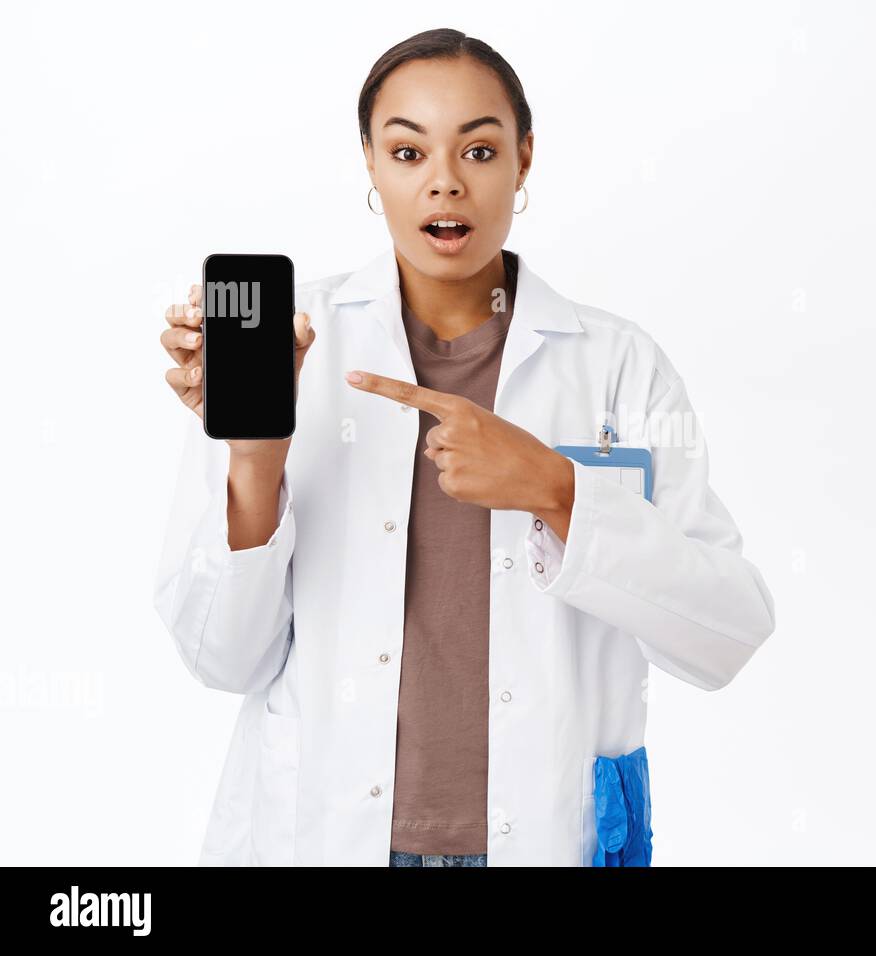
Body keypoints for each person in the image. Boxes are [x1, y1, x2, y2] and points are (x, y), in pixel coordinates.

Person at [154, 27, 776, 867]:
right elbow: (221, 656)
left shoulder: (616, 365)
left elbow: (727, 634)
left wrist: (557, 489)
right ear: (369, 166)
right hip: (329, 836)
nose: (444, 180)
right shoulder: (296, 347)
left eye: (479, 149)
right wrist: (257, 461)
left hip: (548, 833)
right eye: (407, 152)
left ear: (525, 161)